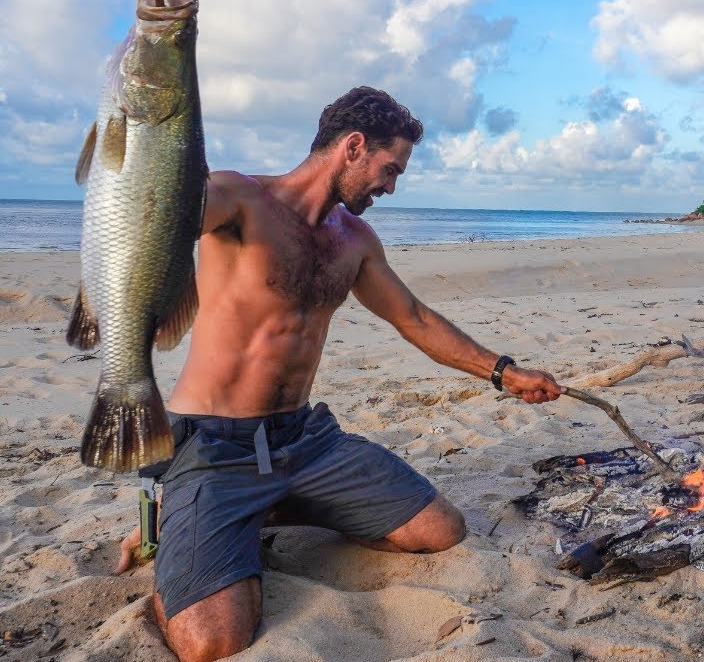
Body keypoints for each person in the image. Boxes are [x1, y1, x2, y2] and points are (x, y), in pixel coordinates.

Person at [113, 86, 564, 662]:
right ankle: (187, 514)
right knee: (211, 643)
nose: (391, 186)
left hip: (305, 440)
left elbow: (415, 318)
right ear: (354, 146)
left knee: (440, 531)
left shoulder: (353, 239)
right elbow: (161, 211)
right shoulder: (237, 200)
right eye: (389, 168)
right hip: (215, 445)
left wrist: (503, 371)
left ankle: (263, 511)